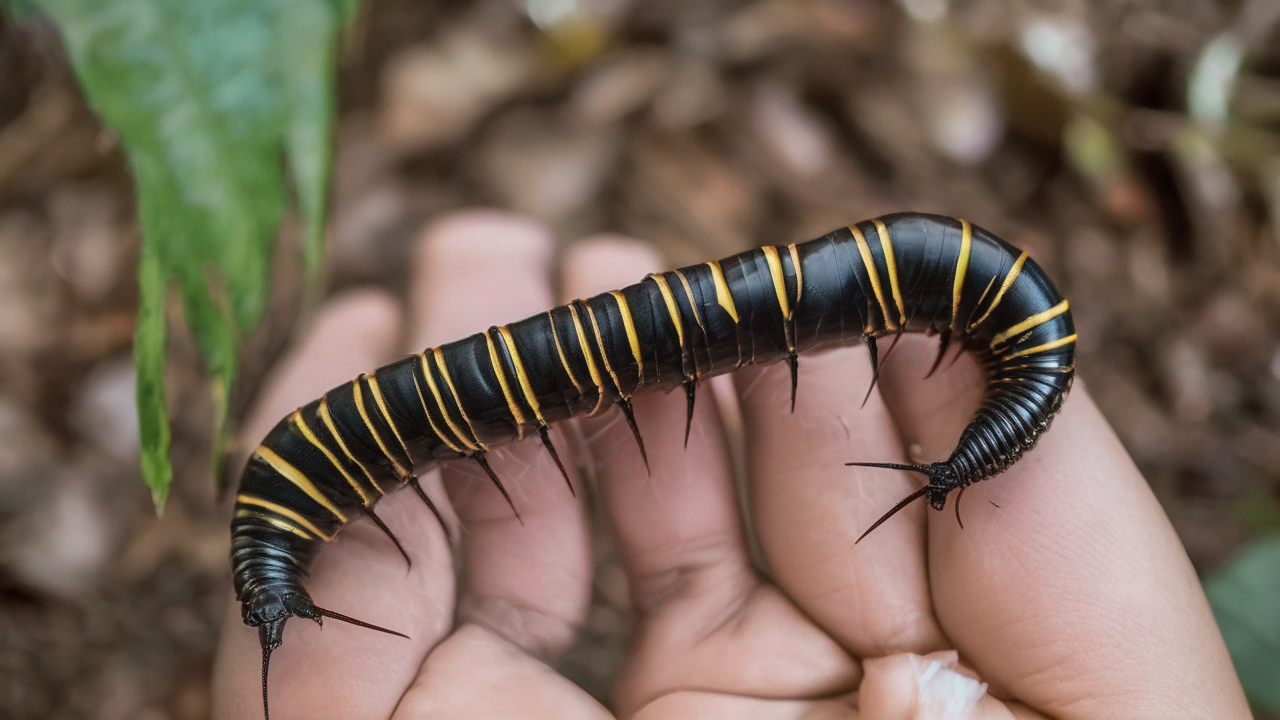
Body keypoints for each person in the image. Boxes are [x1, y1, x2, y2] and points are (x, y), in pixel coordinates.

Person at [212, 211, 1252, 719]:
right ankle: (276, 546)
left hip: (323, 471)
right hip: (305, 480)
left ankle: (276, 548)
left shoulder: (999, 310)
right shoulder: (994, 307)